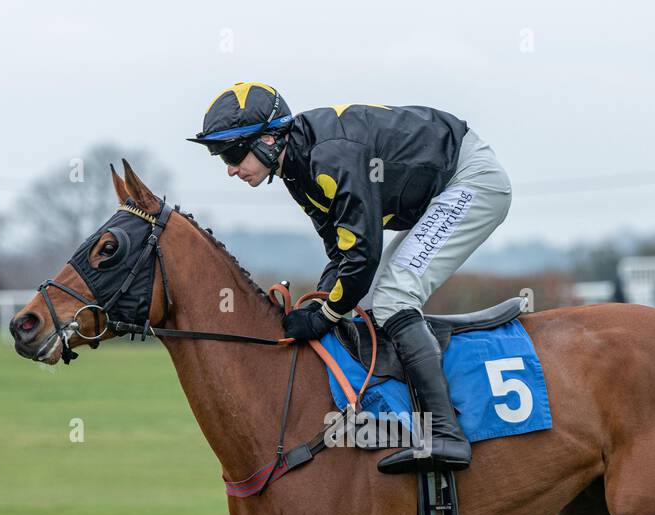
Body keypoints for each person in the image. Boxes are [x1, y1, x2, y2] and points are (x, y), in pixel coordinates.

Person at [188, 82, 512, 474]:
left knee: (393, 296)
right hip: (440, 189)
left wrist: (325, 315)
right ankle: (392, 417)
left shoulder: (329, 157)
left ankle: (446, 433)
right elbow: (341, 252)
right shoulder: (296, 167)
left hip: (470, 179)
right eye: (219, 154)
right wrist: (321, 300)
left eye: (234, 152)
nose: (230, 167)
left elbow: (363, 253)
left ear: (271, 138)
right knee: (371, 300)